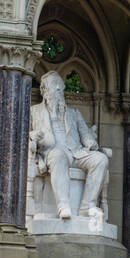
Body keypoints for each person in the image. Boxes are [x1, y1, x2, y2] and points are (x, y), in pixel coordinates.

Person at [29, 70, 109, 220]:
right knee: (58, 155)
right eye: (55, 85)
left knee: (100, 159)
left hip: (76, 152)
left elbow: (85, 133)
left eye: (60, 85)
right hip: (51, 152)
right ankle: (63, 205)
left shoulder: (74, 113)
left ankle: (88, 206)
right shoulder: (34, 111)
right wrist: (32, 135)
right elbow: (23, 134)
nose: (59, 88)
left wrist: (90, 142)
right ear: (44, 90)